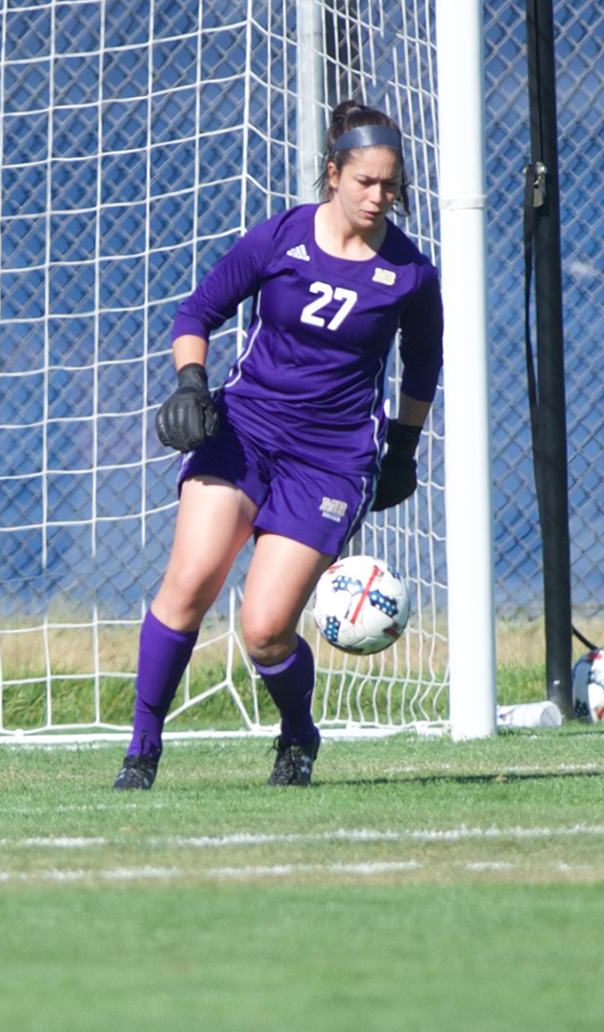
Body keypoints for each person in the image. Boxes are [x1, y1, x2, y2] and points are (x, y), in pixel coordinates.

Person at [114, 100, 445, 790]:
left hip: (330, 460)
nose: (378, 196)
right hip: (244, 431)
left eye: (390, 185)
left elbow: (422, 366)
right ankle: (141, 755)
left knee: (265, 630)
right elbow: (196, 313)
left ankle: (297, 736)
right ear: (334, 174)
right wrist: (190, 384)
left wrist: (404, 451)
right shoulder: (280, 238)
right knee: (188, 585)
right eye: (366, 181)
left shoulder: (411, 273)